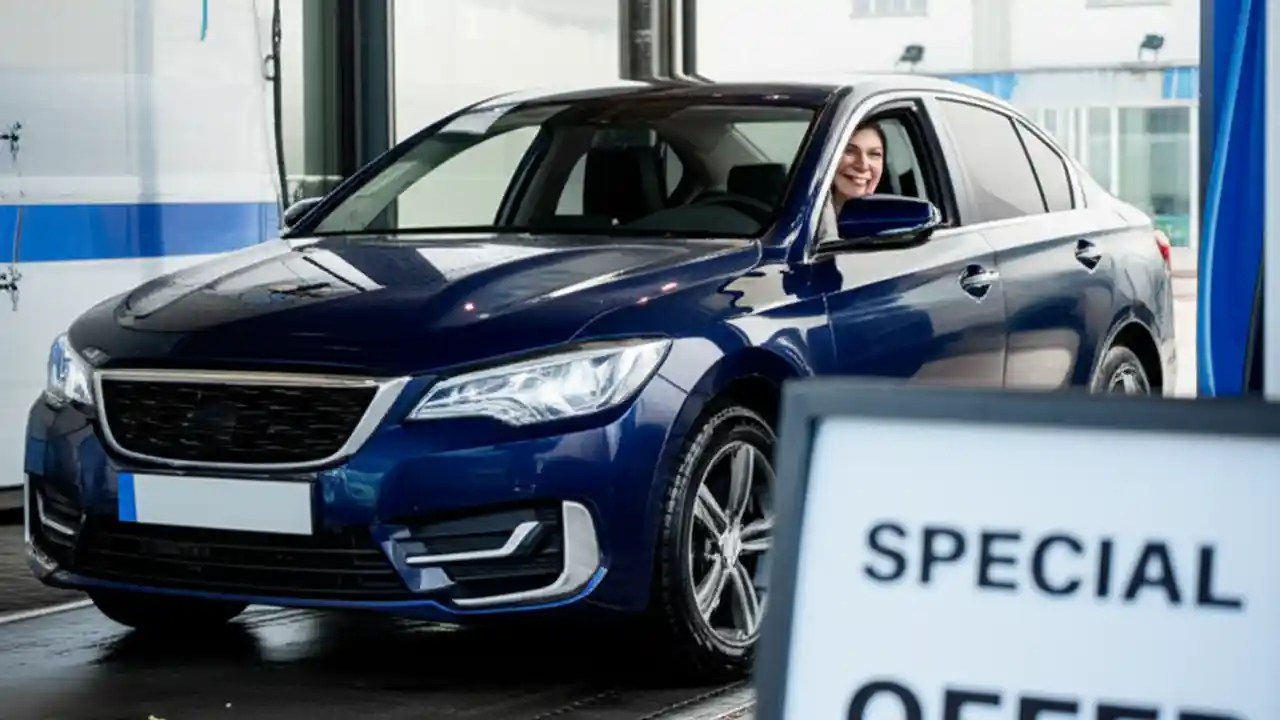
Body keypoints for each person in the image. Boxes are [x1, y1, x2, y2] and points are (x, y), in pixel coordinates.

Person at [818, 121, 887, 239]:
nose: (863, 165)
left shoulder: (896, 228)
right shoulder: (798, 222)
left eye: (874, 154)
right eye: (849, 151)